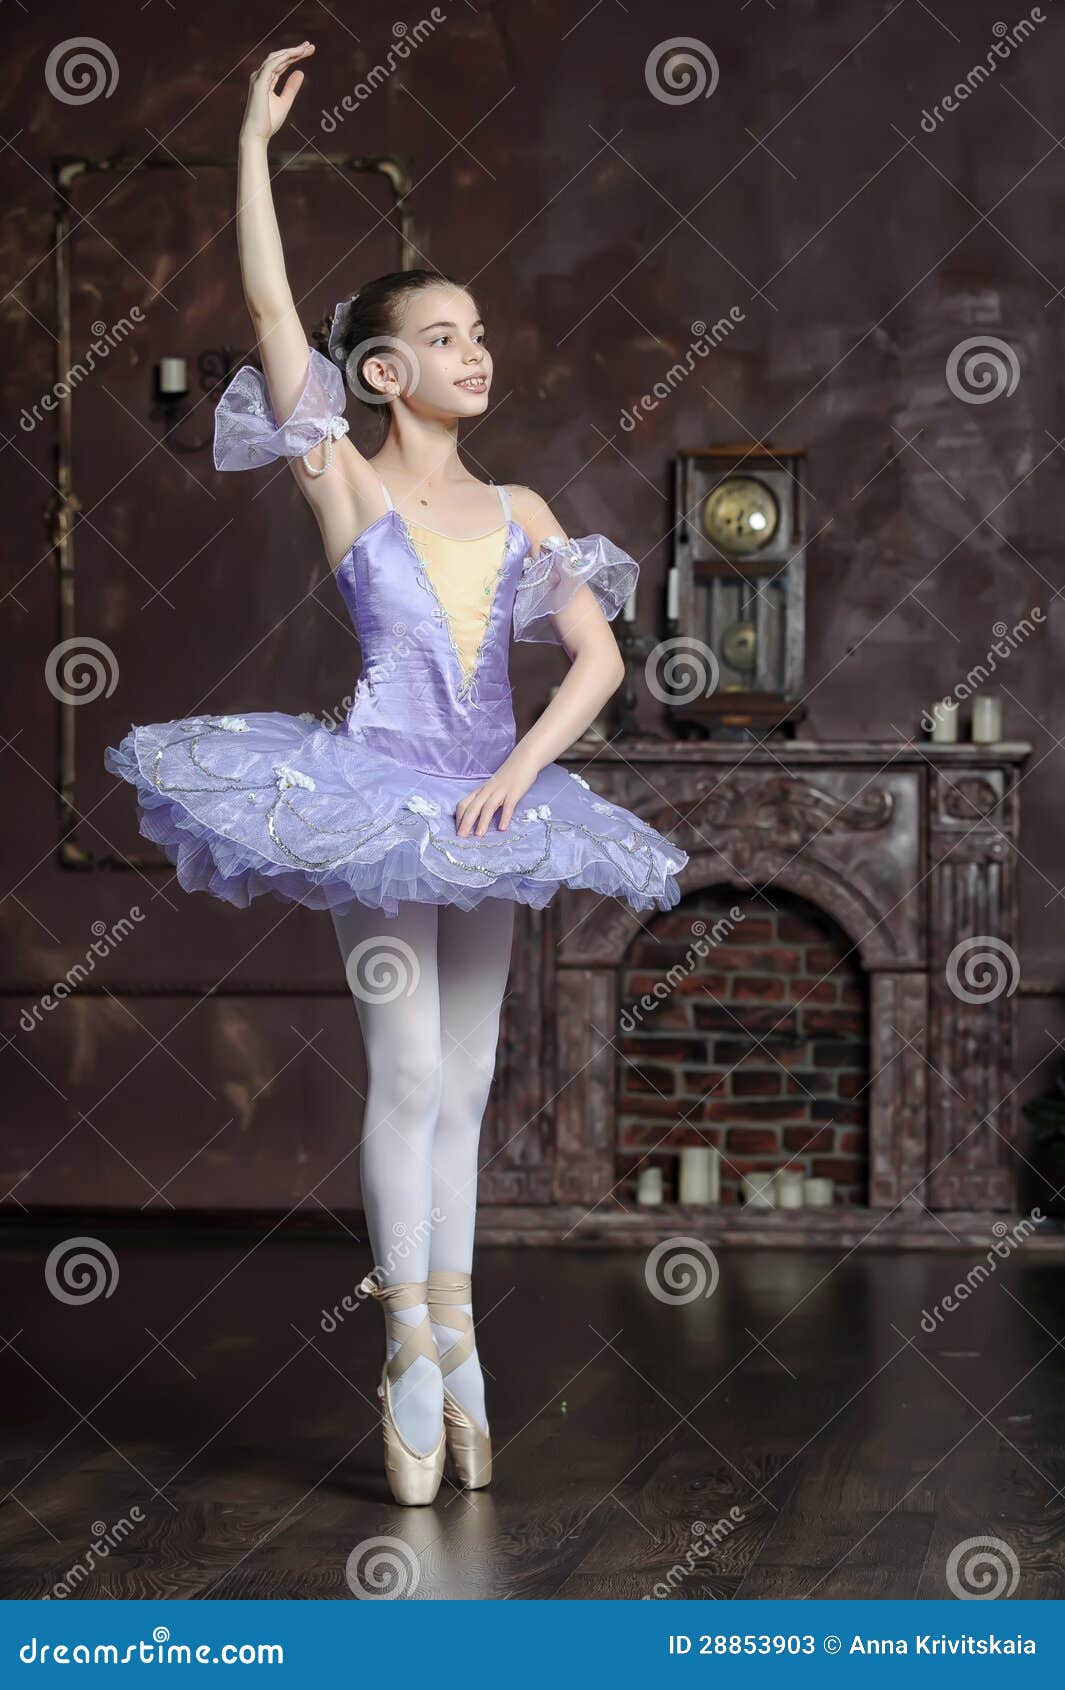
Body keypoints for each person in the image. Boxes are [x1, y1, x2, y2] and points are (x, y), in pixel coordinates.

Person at [104, 42, 689, 1506]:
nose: (473, 351)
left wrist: (516, 772)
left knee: (472, 1076)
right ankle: (410, 1346)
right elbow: (262, 309)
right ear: (381, 370)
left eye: (478, 330)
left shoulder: (521, 503)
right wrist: (249, 138)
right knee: (410, 1066)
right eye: (440, 335)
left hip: (490, 795)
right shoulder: (344, 477)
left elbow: (600, 662)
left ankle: (463, 1335)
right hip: (370, 795)